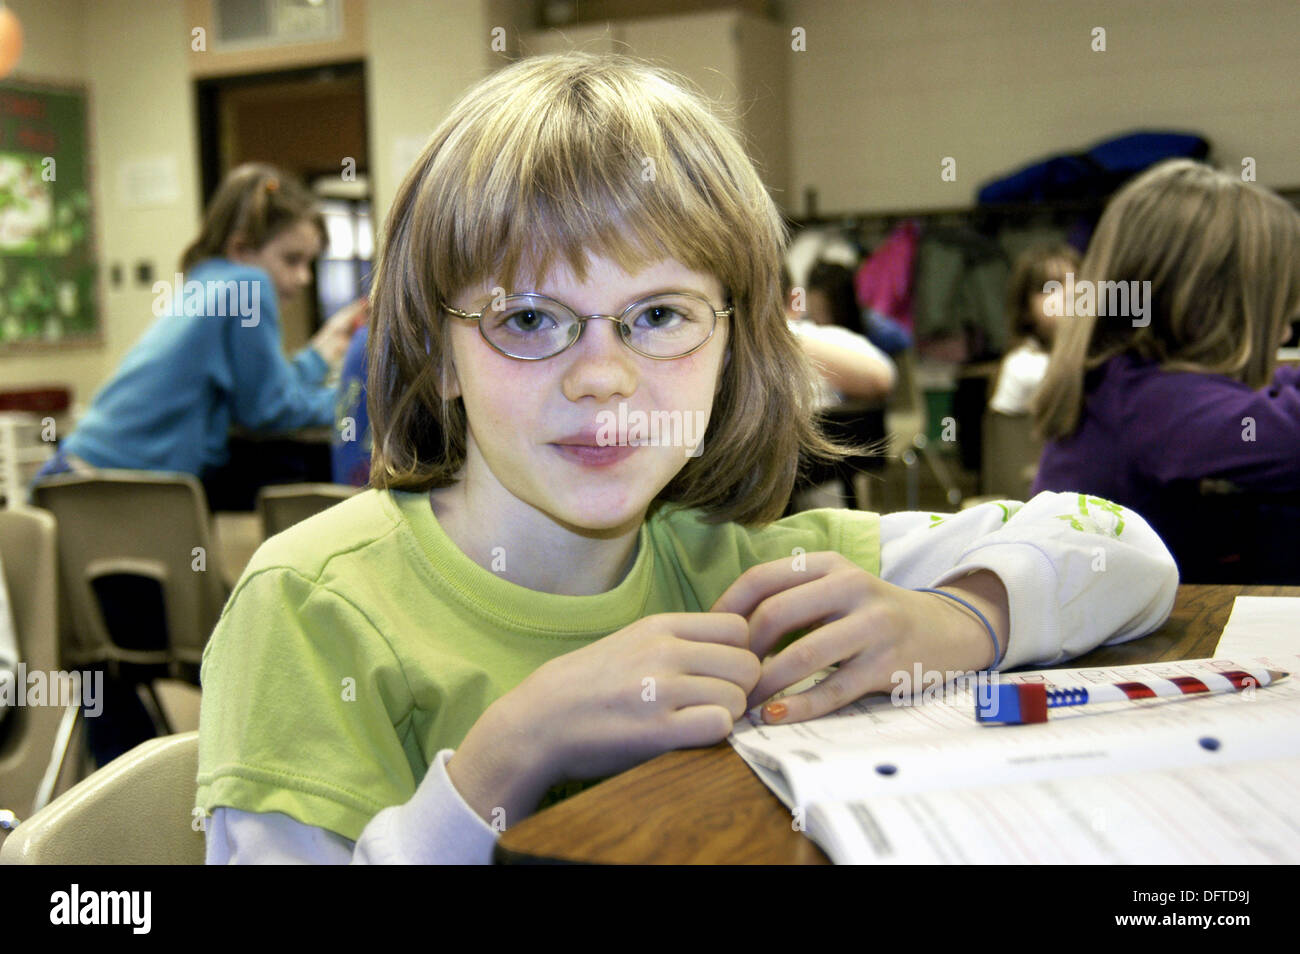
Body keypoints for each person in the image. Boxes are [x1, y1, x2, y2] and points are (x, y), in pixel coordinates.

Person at [196, 53, 1178, 864]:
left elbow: (1122, 549)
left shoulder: (739, 567)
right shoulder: (312, 606)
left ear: (732, 344)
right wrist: (505, 756)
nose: (603, 378)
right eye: (530, 318)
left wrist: (957, 619)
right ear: (436, 353)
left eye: (658, 315)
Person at [1032, 159, 1300, 574]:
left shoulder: (1121, 383)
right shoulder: (1151, 400)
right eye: (1279, 312)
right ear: (1214, 308)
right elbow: (1288, 435)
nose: (1283, 334)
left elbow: (1267, 398)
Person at [35, 164, 361, 485]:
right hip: (114, 487)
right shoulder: (249, 284)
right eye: (292, 260)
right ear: (241, 249)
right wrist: (360, 400)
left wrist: (319, 352)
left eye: (309, 263)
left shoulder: (208, 281)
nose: (304, 277)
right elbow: (268, 411)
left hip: (72, 471)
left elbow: (263, 390)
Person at [988, 243, 1080, 414]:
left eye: (1076, 281)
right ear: (1025, 310)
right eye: (1052, 288)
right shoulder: (1023, 366)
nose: (1070, 293)